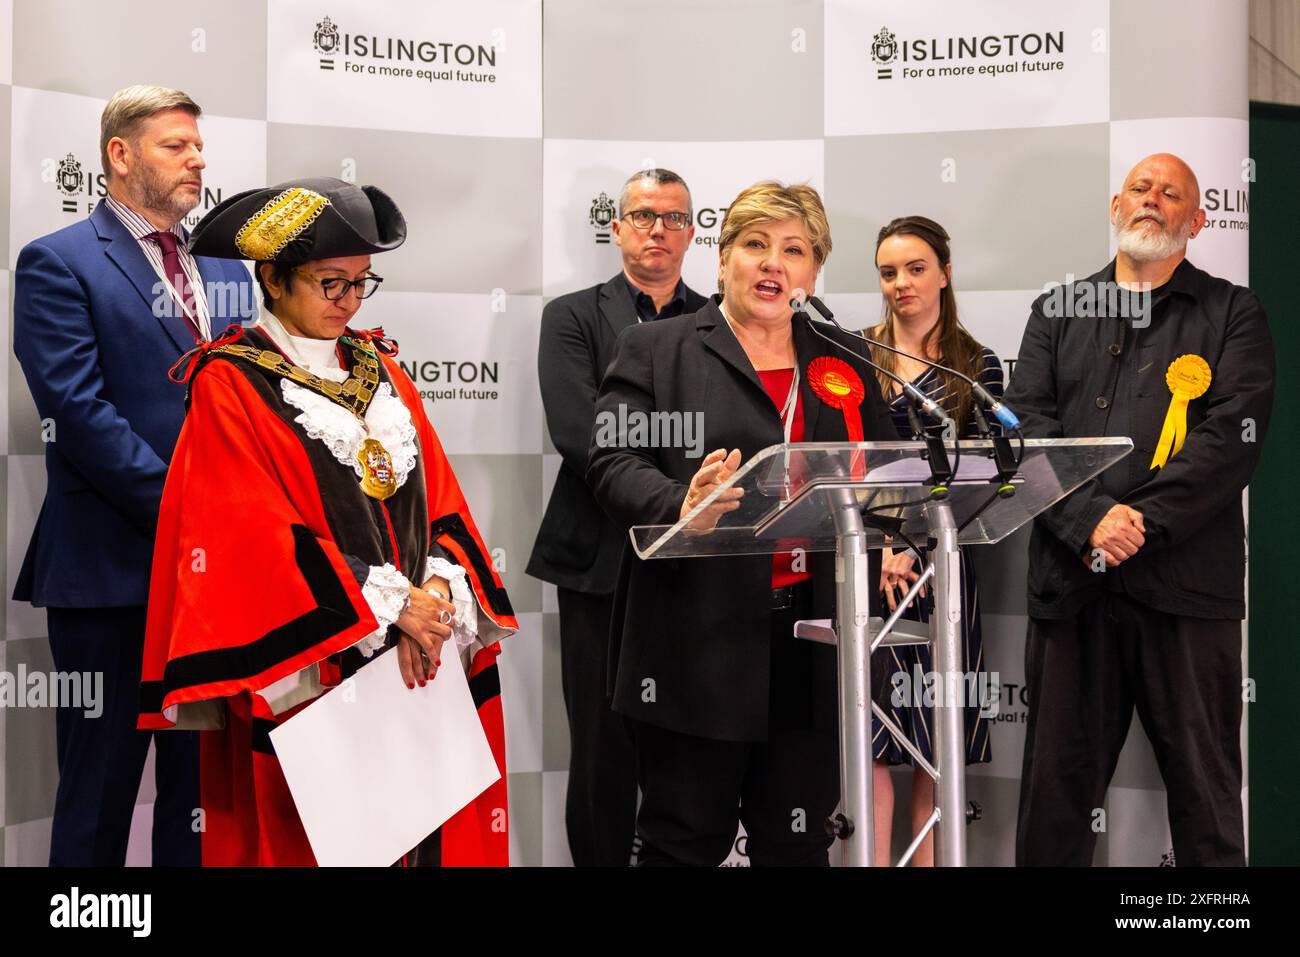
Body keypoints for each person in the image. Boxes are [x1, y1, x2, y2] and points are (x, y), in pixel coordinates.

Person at [137, 178, 518, 866]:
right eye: (329, 282)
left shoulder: (382, 368)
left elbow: (442, 498)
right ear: (274, 281)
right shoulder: (230, 379)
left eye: (360, 284)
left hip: (413, 655)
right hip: (315, 663)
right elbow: (245, 532)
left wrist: (435, 594)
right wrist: (392, 606)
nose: (346, 301)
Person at [587, 181, 897, 866]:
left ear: (813, 271)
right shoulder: (655, 348)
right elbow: (610, 458)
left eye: (794, 249)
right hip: (698, 639)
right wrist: (680, 501)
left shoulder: (842, 356)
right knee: (682, 841)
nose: (773, 264)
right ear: (723, 258)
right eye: (755, 244)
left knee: (796, 842)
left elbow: (877, 471)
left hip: (811, 639)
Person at [1005, 153, 1274, 866]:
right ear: (1116, 204)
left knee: (1208, 799)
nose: (1153, 200)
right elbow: (1025, 433)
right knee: (1055, 804)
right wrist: (1088, 517)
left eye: (1172, 194)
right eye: (1142, 189)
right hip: (1073, 586)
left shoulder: (1233, 312)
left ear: (1197, 218)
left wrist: (1138, 524)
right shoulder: (1054, 311)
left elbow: (1229, 444)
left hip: (1189, 593)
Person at [12, 85, 255, 866]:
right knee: (99, 794)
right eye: (175, 145)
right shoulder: (57, 261)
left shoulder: (224, 264)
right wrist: (192, 510)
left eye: (198, 144)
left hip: (213, 581)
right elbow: (79, 415)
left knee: (199, 797)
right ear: (120, 155)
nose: (198, 158)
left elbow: (249, 402)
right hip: (114, 572)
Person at [527, 168, 708, 866]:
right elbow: (582, 433)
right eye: (641, 215)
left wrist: (684, 487)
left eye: (671, 216)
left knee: (686, 746)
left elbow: (727, 431)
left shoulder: (716, 318)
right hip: (600, 561)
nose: (656, 228)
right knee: (604, 750)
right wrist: (679, 485)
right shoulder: (571, 316)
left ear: (693, 231)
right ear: (616, 228)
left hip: (695, 560)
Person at [865, 216, 1002, 866]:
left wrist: (915, 543)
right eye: (889, 272)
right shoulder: (852, 357)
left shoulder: (979, 370)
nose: (901, 284)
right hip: (866, 572)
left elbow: (987, 482)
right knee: (869, 751)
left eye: (916, 268)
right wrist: (885, 540)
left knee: (935, 750)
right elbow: (842, 465)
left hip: (945, 574)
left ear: (944, 272)